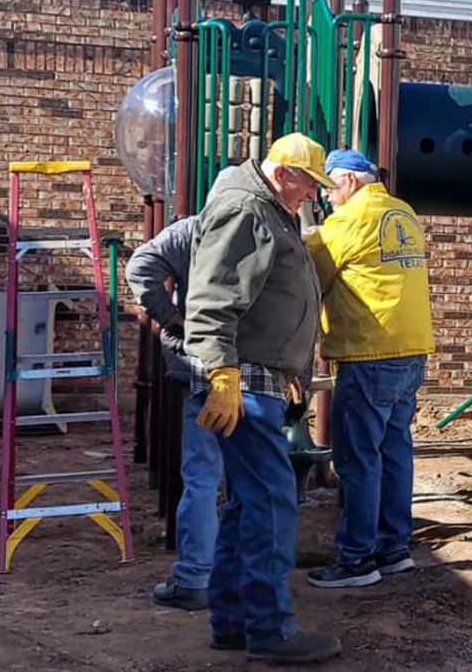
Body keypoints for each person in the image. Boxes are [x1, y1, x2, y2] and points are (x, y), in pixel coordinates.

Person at [185, 133, 339, 665]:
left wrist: (289, 367)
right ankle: (270, 629)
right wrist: (222, 373)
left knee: (250, 501)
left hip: (257, 378)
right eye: (309, 186)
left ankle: (233, 621)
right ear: (284, 175)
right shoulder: (247, 209)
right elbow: (212, 296)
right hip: (243, 382)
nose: (311, 197)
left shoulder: (268, 209)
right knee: (273, 500)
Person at [304, 149, 434, 590]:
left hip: (368, 353)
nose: (327, 200)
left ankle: (357, 558)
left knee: (358, 458)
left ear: (352, 182)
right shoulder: (403, 212)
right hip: (411, 351)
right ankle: (394, 547)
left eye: (329, 189)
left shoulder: (348, 220)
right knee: (395, 451)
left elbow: (309, 277)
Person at [125, 213, 215, 611]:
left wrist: (171, 320)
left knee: (202, 477)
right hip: (256, 372)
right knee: (254, 481)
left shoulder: (193, 229)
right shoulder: (268, 225)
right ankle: (246, 577)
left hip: (202, 369)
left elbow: (141, 266)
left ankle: (196, 577)